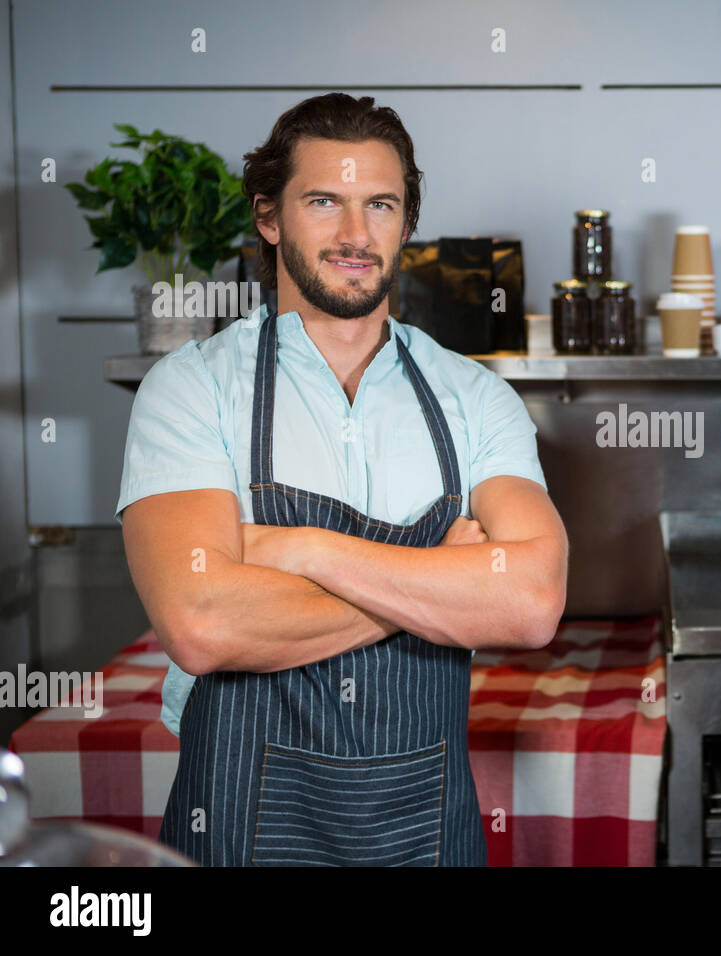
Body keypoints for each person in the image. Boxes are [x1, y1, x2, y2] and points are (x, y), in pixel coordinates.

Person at [116, 93, 568, 866]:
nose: (356, 236)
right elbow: (201, 624)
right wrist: (441, 583)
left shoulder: (473, 396)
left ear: (405, 221)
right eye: (324, 202)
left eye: (380, 205)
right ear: (269, 217)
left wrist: (295, 551)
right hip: (240, 830)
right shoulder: (191, 389)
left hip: (428, 834)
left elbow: (528, 604)